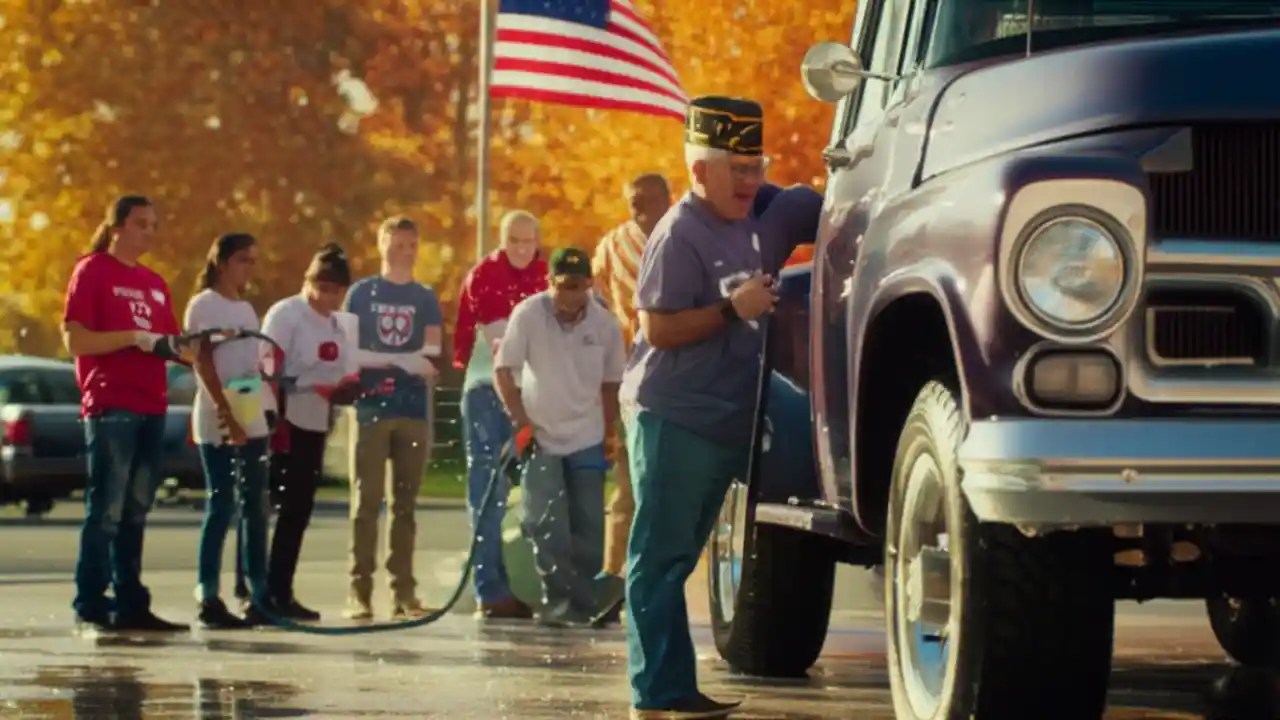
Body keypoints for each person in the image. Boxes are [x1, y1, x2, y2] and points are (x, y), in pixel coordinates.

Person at [620, 96, 824, 719]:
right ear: (697, 170)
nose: (749, 182)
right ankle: (656, 695)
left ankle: (671, 687)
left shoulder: (773, 215)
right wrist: (733, 310)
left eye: (755, 166)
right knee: (660, 559)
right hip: (673, 415)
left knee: (683, 555)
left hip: (733, 417)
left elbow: (847, 203)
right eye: (734, 169)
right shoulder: (678, 232)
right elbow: (655, 328)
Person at [61, 194, 190, 632]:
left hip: (152, 404)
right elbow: (76, 342)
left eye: (154, 225)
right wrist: (133, 336)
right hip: (111, 403)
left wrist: (204, 346)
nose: (149, 232)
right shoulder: (92, 270)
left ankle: (132, 602)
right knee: (108, 508)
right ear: (117, 227)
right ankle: (92, 604)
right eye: (141, 224)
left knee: (136, 508)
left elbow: (172, 345)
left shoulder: (156, 282)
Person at [494, 247, 627, 627]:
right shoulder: (528, 315)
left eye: (579, 286)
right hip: (540, 433)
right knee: (544, 521)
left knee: (588, 524)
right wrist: (521, 423)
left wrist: (608, 432)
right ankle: (557, 602)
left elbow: (610, 384)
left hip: (587, 432)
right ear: (550, 283)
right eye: (565, 286)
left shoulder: (604, 325)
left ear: (589, 284)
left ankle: (583, 606)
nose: (572, 295)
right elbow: (505, 372)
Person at [342, 216, 444, 621]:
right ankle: (359, 591)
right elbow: (351, 354)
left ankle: (404, 591)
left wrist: (396, 360)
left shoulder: (425, 297)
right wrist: (403, 359)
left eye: (412, 244)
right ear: (381, 243)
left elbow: (432, 356)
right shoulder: (361, 294)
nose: (406, 251)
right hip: (369, 409)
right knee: (365, 503)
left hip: (413, 411)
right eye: (398, 243)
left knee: (406, 506)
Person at [452, 210, 548, 620]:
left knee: (543, 490)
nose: (523, 250)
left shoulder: (546, 274)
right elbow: (502, 352)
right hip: (487, 393)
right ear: (502, 240)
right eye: (515, 241)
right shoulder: (485, 275)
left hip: (533, 393)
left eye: (529, 242)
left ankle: (545, 583)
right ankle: (489, 590)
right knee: (488, 494)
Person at [260, 243, 361, 621]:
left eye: (337, 291)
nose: (329, 298)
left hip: (316, 420)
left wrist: (346, 388)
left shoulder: (339, 322)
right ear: (309, 282)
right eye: (324, 289)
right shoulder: (287, 314)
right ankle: (256, 587)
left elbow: (342, 367)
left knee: (297, 510)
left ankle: (281, 588)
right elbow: (269, 365)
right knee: (267, 507)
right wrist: (295, 390)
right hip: (283, 419)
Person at [590, 173, 672, 622]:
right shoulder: (611, 246)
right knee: (626, 489)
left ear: (667, 197)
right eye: (632, 199)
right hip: (628, 381)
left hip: (679, 380)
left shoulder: (681, 237)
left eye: (648, 198)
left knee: (669, 490)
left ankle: (658, 587)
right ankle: (613, 580)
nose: (639, 206)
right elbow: (593, 300)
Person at [185, 233, 273, 629]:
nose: (248, 268)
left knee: (255, 505)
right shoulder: (205, 305)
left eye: (253, 261)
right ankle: (207, 594)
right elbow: (202, 362)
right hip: (218, 414)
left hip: (249, 406)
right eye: (242, 260)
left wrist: (259, 410)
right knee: (221, 504)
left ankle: (256, 592)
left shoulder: (248, 310)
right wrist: (227, 415)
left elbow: (249, 364)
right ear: (222, 263)